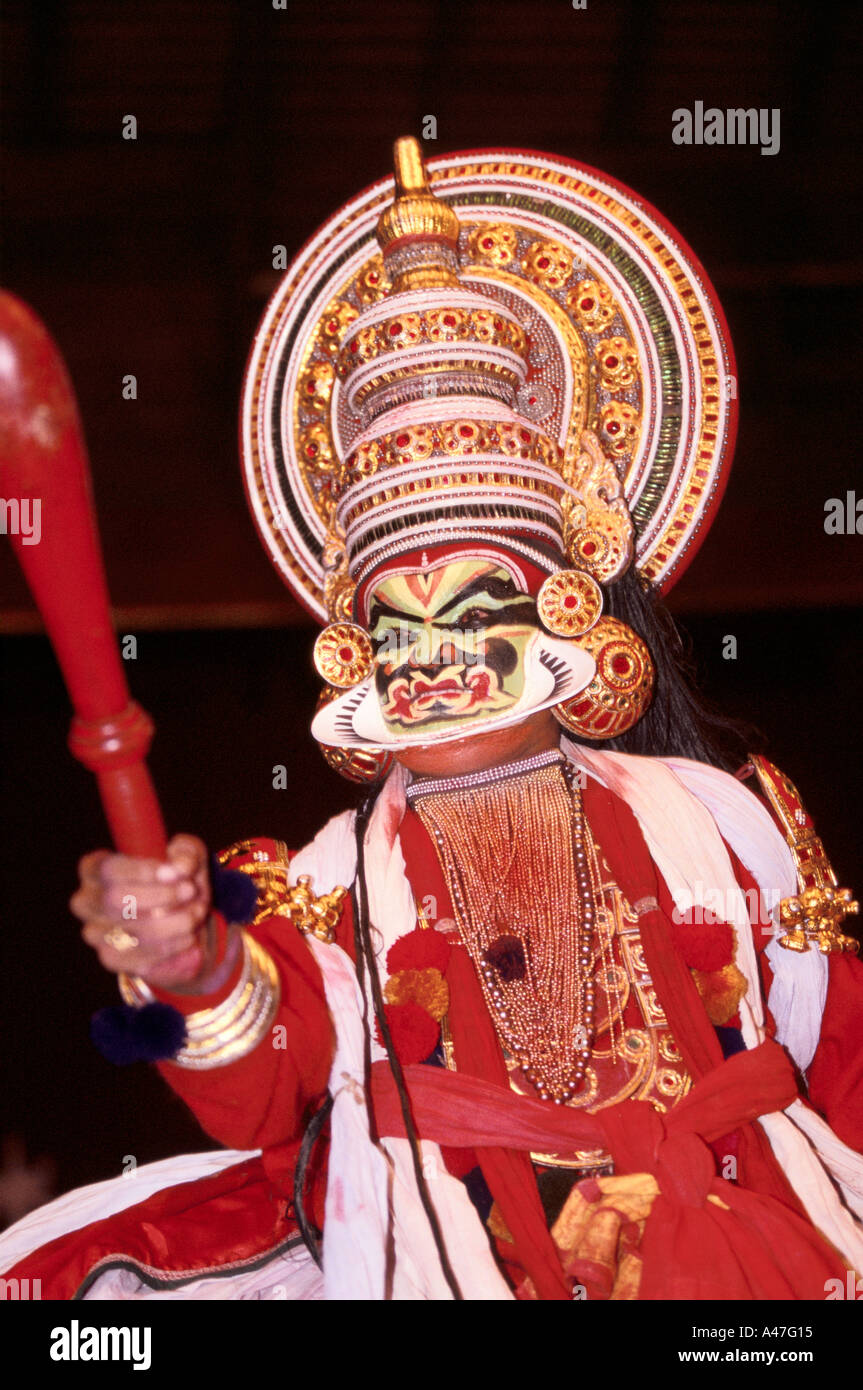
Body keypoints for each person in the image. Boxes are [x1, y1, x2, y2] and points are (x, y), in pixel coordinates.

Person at [1, 138, 861, 1301]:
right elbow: (266, 1086)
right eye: (395, 626)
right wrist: (192, 959)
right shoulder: (324, 886)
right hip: (457, 1263)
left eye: (472, 609)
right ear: (351, 648)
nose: (433, 660)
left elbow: (846, 1065)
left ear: (565, 607)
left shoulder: (724, 822)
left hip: (767, 1259)